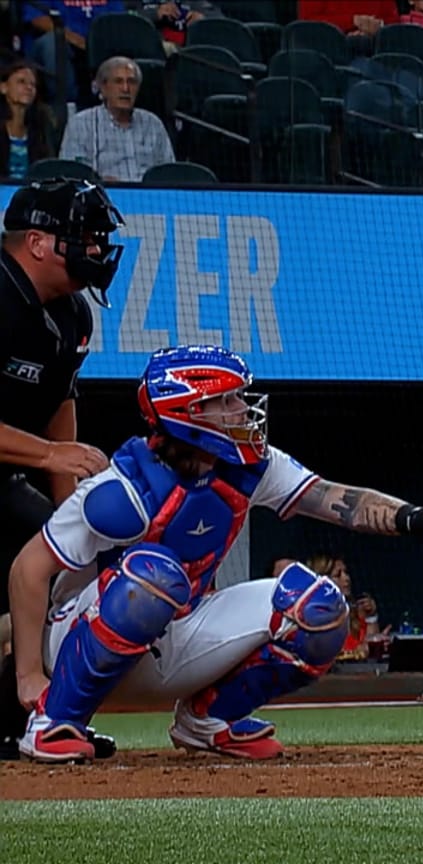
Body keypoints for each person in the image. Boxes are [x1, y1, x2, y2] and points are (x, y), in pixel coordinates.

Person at [7, 344, 423, 762]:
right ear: (190, 413)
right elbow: (28, 570)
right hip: (81, 641)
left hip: (177, 637)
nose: (244, 410)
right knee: (154, 575)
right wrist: (30, 676)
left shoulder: (249, 466)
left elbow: (337, 500)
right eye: (229, 401)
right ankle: (55, 722)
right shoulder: (122, 488)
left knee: (320, 607)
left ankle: (209, 720)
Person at [0, 179, 121, 762]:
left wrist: (72, 515)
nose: (95, 250)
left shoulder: (73, 314)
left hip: (5, 481)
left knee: (66, 566)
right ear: (37, 242)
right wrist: (51, 457)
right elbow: (53, 447)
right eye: (85, 238)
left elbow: (58, 405)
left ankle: (36, 719)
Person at [0, 62, 60, 180]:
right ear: (3, 87)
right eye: (21, 82)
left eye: (33, 84)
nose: (29, 88)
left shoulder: (42, 127)